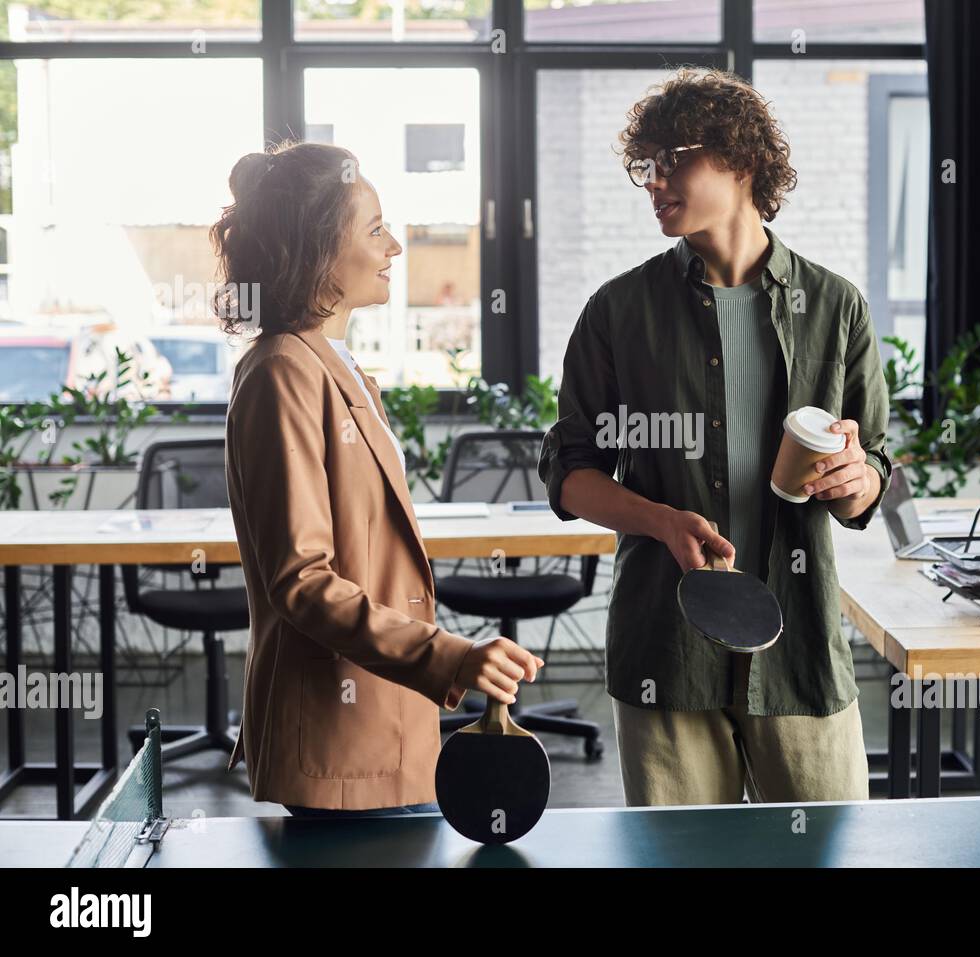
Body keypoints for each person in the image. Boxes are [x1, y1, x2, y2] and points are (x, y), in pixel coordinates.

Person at [538, 68, 892, 807]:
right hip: (666, 654)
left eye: (675, 158)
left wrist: (860, 482)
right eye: (647, 164)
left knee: (833, 855)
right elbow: (569, 473)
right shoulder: (617, 311)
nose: (654, 181)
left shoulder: (834, 307)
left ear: (742, 161)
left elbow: (872, 473)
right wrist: (661, 521)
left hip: (799, 652)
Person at [214, 141, 543, 816]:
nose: (394, 246)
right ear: (314, 252)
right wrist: (452, 655)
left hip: (390, 720)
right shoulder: (284, 371)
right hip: (339, 741)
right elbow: (302, 582)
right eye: (373, 229)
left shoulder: (336, 365)